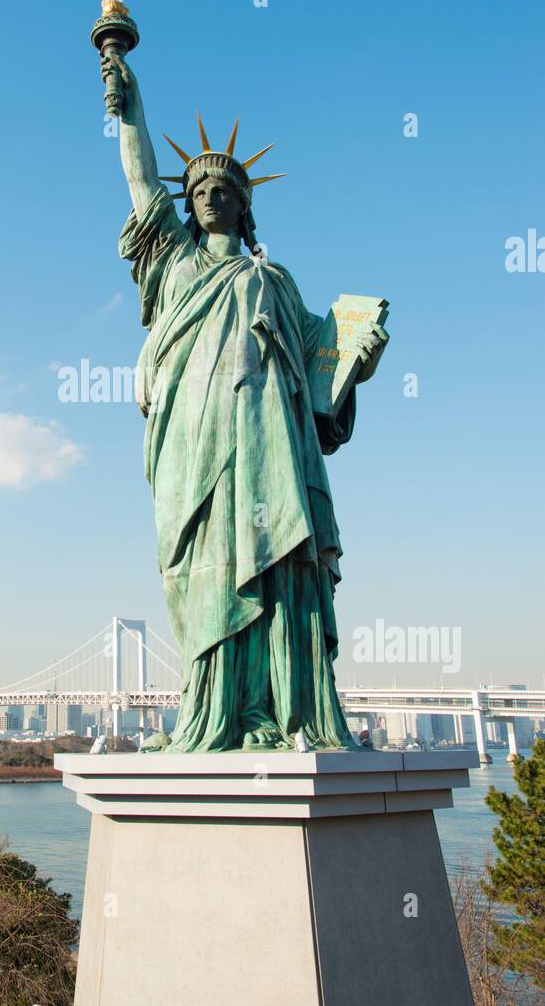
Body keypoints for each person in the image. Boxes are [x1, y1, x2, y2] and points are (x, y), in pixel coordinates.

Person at [102, 51, 388, 752]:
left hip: (267, 442)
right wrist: (127, 101)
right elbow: (141, 179)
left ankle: (283, 711)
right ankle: (217, 711)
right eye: (196, 188)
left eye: (221, 189)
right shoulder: (171, 260)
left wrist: (361, 361)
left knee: (276, 555)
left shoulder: (276, 281)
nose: (207, 195)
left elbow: (322, 381)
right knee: (203, 569)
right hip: (190, 438)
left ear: (243, 203)